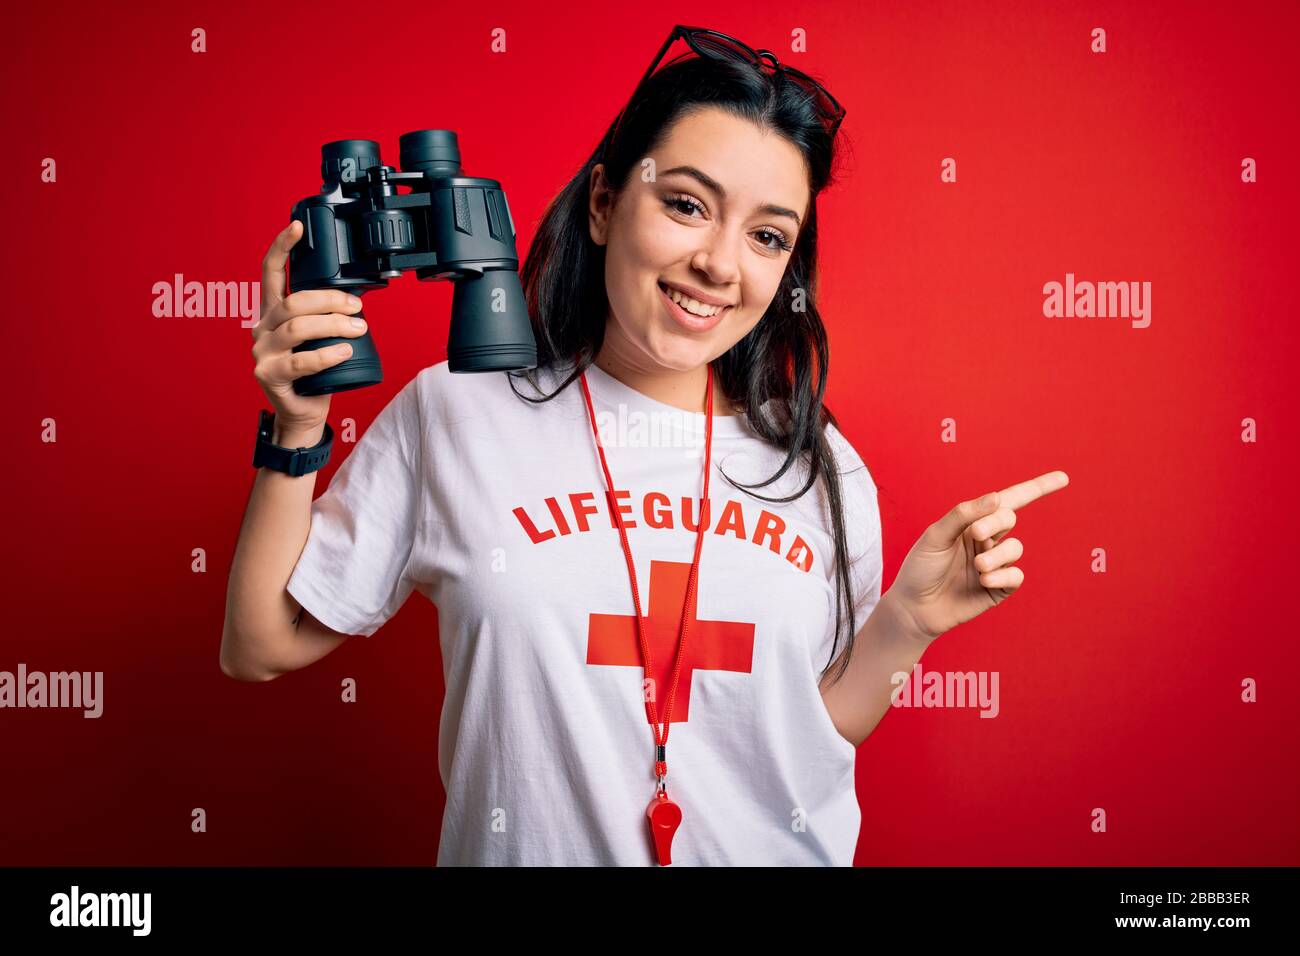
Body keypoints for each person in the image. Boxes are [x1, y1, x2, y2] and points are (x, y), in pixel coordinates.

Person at [221, 25, 1069, 866]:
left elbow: (814, 727)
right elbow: (262, 644)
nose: (719, 264)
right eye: (687, 204)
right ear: (604, 203)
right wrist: (295, 431)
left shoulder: (822, 470)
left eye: (767, 236)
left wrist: (908, 624)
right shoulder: (459, 411)